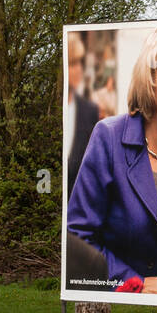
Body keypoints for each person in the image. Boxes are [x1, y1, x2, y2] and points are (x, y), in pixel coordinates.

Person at [66, 25, 157, 293]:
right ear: (148, 79)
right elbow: (78, 238)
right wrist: (136, 284)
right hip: (112, 305)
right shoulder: (108, 137)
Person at [64, 32, 100, 198]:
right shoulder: (50, 111)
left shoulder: (89, 111)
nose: (78, 69)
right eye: (72, 63)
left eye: (80, 62)